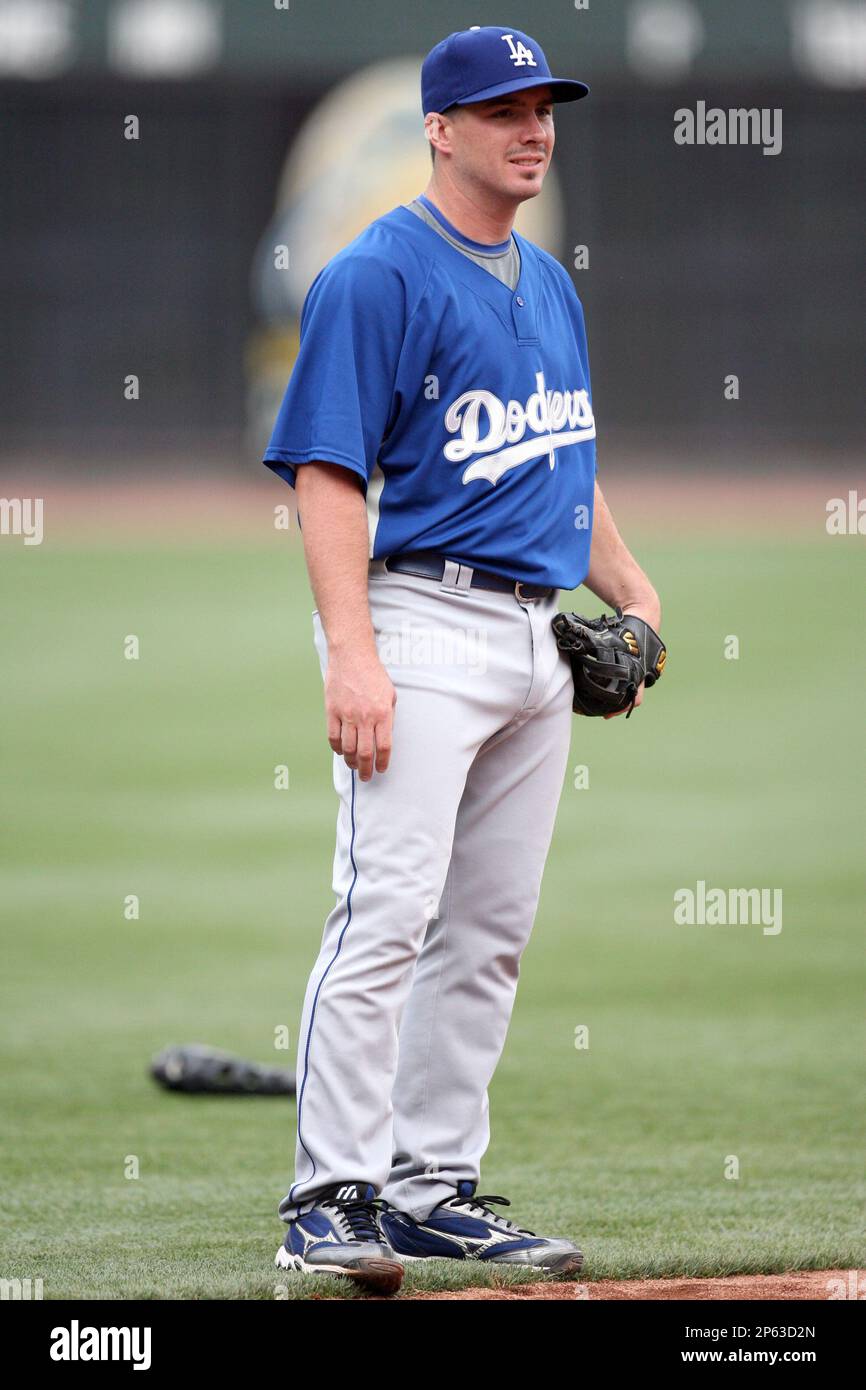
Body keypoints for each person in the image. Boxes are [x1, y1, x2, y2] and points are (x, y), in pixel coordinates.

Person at [263, 25, 661, 1295]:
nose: (530, 127)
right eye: (500, 109)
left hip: (533, 633)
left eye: (542, 106)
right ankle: (327, 1198)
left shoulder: (545, 281)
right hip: (420, 623)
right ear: (439, 128)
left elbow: (562, 461)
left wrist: (637, 594)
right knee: (386, 910)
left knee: (486, 931)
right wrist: (353, 655)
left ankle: (431, 1190)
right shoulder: (373, 276)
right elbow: (327, 472)